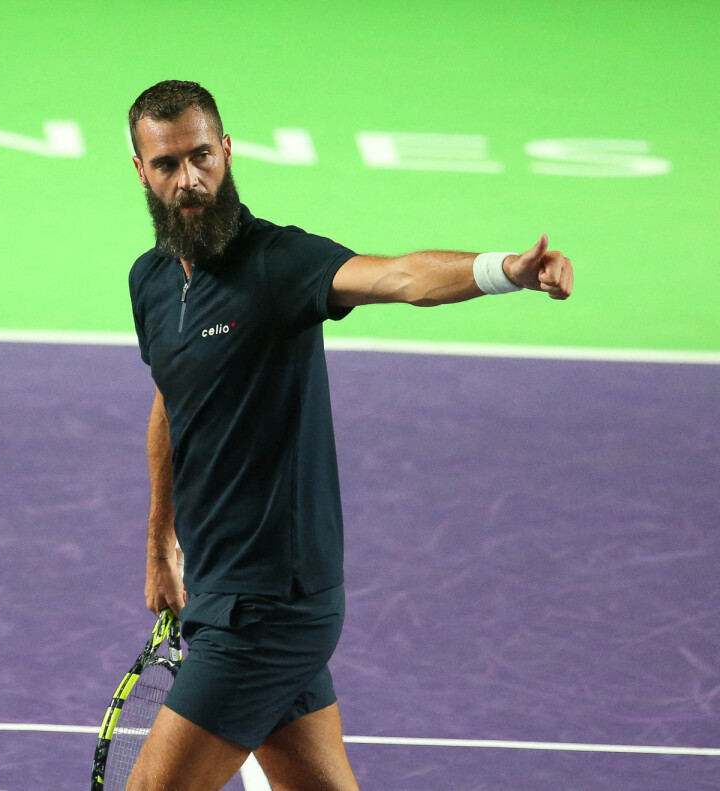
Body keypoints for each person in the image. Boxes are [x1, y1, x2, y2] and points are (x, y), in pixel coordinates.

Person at [124, 80, 573, 791]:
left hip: (270, 603)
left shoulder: (279, 264)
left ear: (228, 151)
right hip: (219, 587)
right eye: (168, 164)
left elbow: (399, 277)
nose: (190, 179)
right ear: (141, 171)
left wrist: (505, 272)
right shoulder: (150, 282)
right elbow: (171, 400)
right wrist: (160, 540)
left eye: (202, 157)